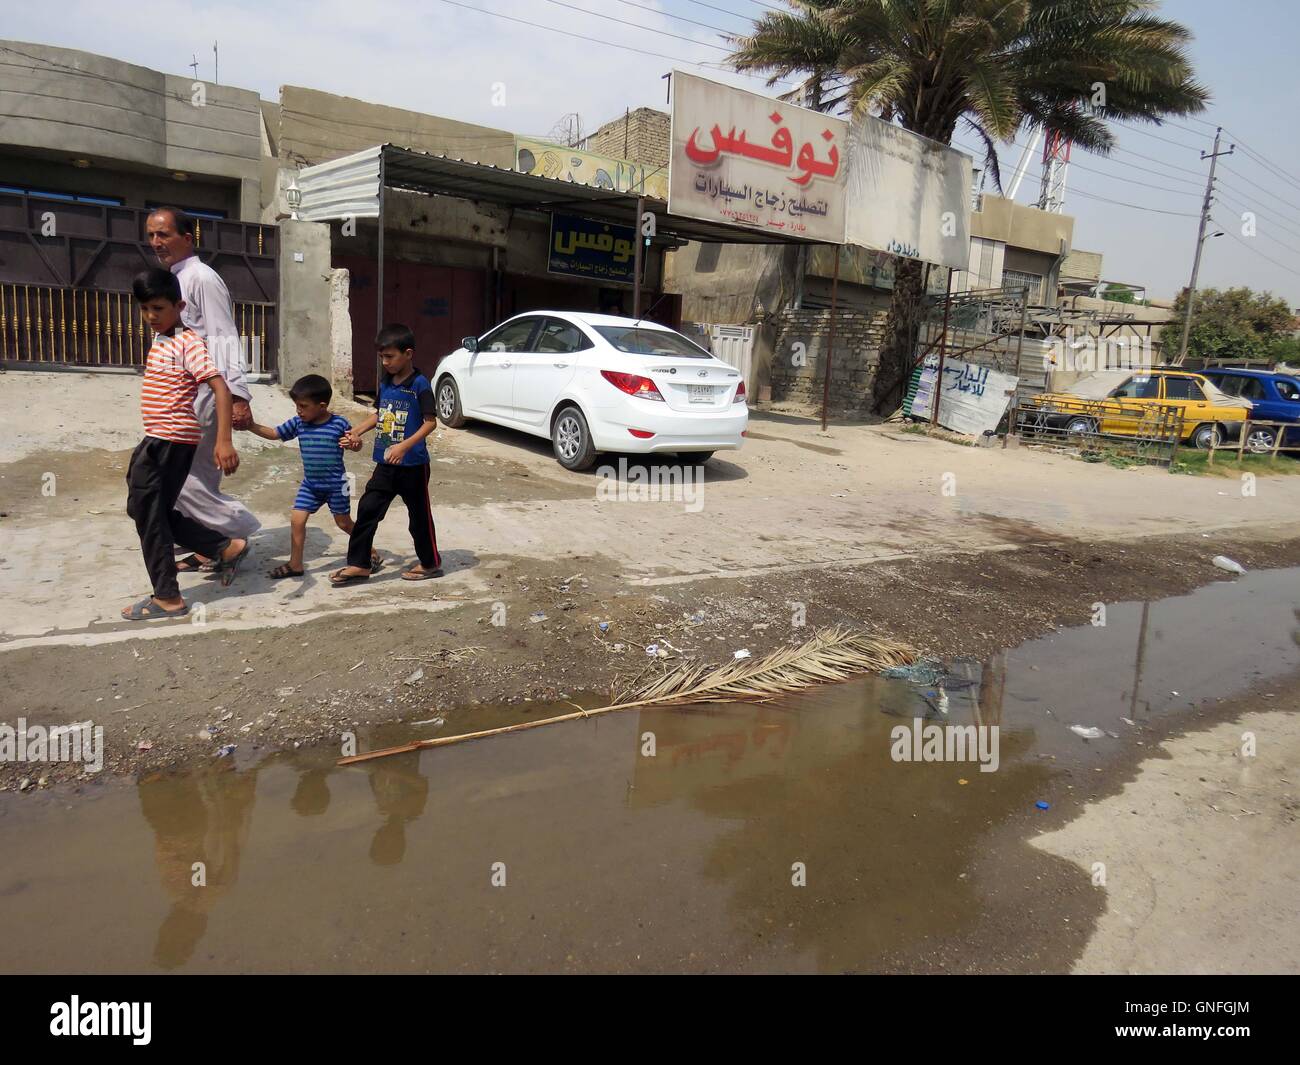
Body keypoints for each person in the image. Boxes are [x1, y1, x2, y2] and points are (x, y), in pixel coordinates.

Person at [122, 268, 249, 621]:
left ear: (179, 305)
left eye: (158, 309)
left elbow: (220, 387)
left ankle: (168, 598)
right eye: (145, 309)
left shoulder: (187, 341)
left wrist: (224, 441)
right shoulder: (163, 337)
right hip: (158, 439)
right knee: (145, 509)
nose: (150, 316)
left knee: (149, 515)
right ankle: (224, 547)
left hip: (170, 441)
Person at [146, 206, 260, 571]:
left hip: (208, 393)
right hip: (182, 394)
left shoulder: (201, 278)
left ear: (188, 238)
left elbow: (224, 336)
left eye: (163, 234)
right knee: (195, 475)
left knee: (185, 477)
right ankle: (211, 545)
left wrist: (238, 394)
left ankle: (239, 530)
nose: (156, 242)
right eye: (151, 235)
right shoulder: (173, 279)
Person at [331, 324, 443, 585]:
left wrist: (404, 446)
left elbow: (430, 422)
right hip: (385, 463)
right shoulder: (386, 382)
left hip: (413, 465)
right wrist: (356, 431)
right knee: (368, 509)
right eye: (382, 357)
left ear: (408, 353)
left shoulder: (420, 384)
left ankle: (430, 563)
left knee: (419, 518)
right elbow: (380, 414)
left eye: (390, 356)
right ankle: (359, 564)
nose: (385, 362)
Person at [240, 374, 380, 579]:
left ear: (322, 406)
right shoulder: (298, 423)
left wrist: (355, 443)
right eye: (297, 405)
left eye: (304, 406)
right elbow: (274, 433)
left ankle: (370, 551)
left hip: (337, 484)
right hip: (310, 485)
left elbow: (355, 445)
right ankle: (295, 564)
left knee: (344, 523)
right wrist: (251, 425)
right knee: (297, 520)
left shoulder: (339, 423)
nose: (299, 410)